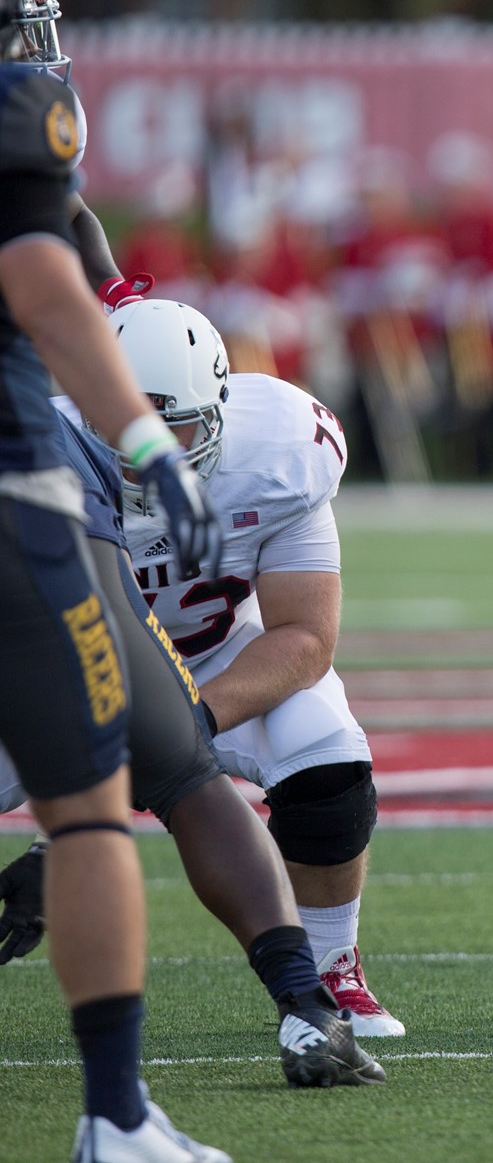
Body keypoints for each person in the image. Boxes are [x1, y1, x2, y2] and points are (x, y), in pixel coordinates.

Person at [0, 290, 382, 1088]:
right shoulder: (47, 444)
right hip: (48, 663)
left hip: (217, 665)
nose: (141, 450)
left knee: (326, 749)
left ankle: (327, 970)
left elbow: (305, 637)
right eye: (122, 417)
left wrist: (186, 719)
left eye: (169, 426)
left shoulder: (277, 446)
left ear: (215, 413)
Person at [0, 0, 230, 1161]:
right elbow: (43, 280)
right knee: (88, 814)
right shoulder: (17, 108)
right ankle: (117, 1116)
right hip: (10, 500)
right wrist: (144, 441)